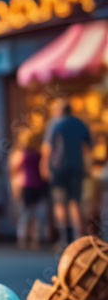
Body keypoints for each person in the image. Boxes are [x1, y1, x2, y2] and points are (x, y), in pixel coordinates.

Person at [42, 98, 92, 246]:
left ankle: (64, 237)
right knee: (75, 202)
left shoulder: (56, 124)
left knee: (59, 203)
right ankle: (78, 237)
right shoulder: (81, 124)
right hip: (77, 168)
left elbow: (47, 149)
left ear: (60, 111)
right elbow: (87, 149)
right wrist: (87, 167)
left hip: (58, 169)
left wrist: (45, 167)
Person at [10, 130, 47, 249]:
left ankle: (22, 239)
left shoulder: (22, 155)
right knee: (37, 214)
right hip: (38, 185)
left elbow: (14, 170)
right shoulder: (38, 154)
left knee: (25, 213)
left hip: (26, 185)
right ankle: (36, 239)